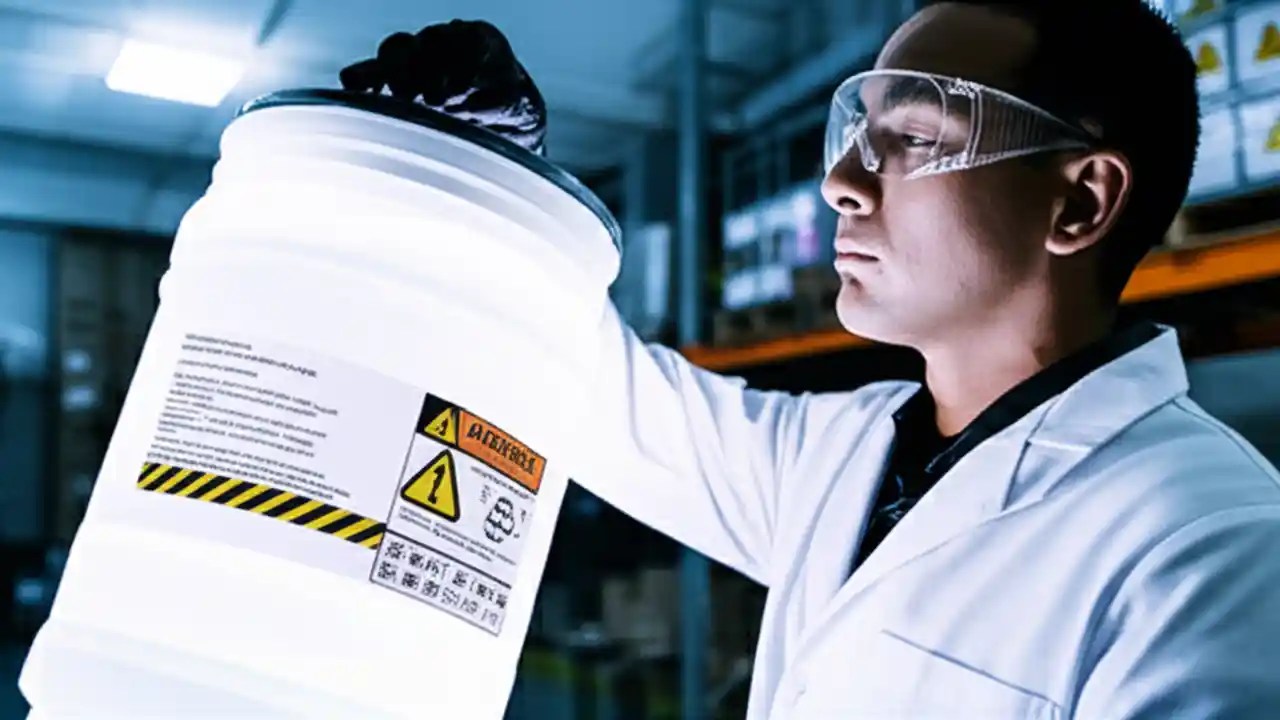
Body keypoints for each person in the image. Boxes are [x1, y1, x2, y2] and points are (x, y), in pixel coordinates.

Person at [342, 2, 1280, 717]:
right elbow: (581, 388)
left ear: (1079, 204)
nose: (839, 182)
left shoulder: (1214, 546)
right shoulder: (839, 452)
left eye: (912, 138)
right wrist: (492, 178)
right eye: (856, 134)